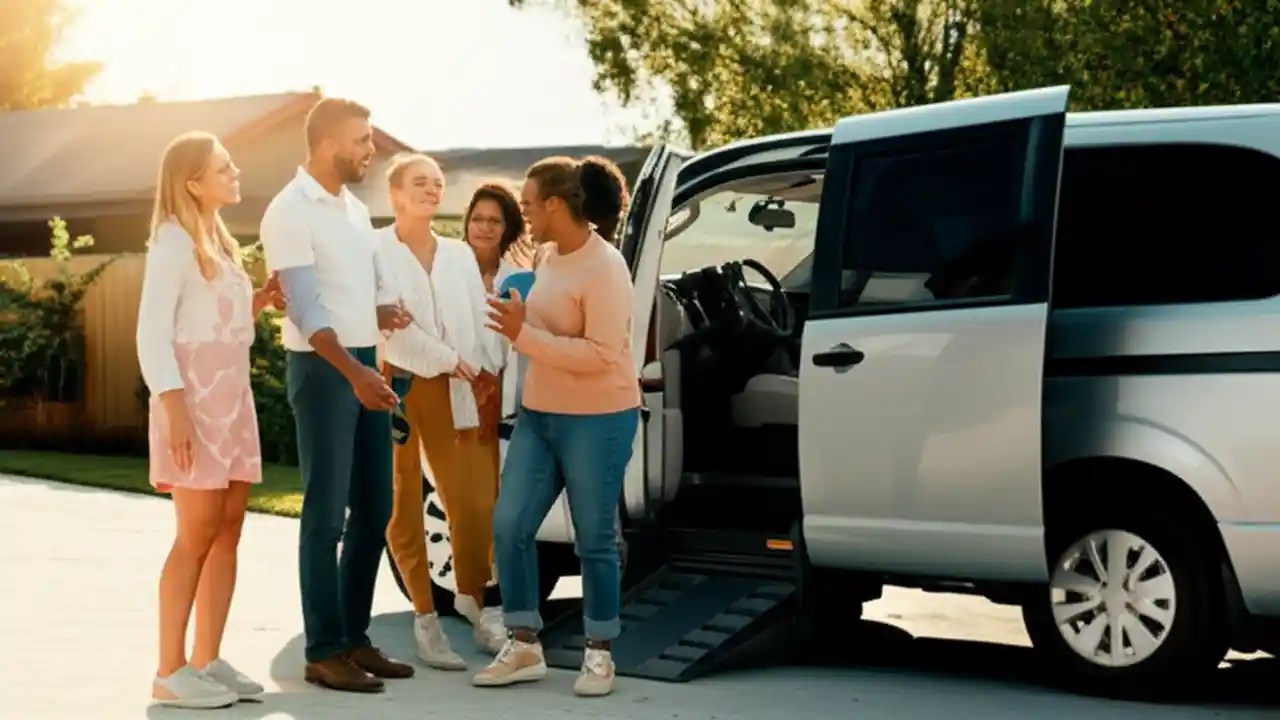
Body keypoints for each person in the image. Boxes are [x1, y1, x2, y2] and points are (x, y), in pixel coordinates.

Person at [258, 97, 414, 694]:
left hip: (362, 363)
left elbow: (351, 291)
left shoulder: (351, 209)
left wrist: (381, 315)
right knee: (326, 516)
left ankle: (353, 637)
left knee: (375, 509)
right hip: (326, 373)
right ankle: (323, 650)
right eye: (361, 139)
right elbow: (304, 305)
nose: (370, 149)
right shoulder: (288, 211)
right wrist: (356, 371)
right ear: (326, 143)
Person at [474, 155, 636, 697]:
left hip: (599, 419)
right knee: (510, 524)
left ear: (555, 204)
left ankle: (599, 653)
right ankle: (523, 644)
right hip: (540, 416)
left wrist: (523, 334)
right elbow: (543, 327)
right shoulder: (546, 255)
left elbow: (602, 353)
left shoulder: (606, 267)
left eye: (527, 203)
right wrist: (517, 314)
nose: (523, 213)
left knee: (594, 539)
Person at [137, 130, 285, 708]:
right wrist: (173, 408)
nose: (235, 173)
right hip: (192, 402)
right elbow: (152, 332)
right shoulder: (171, 243)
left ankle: (207, 659)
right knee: (194, 536)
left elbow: (215, 323)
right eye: (224, 168)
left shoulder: (218, 242)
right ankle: (169, 671)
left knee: (227, 532)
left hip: (232, 400)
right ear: (192, 183)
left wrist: (258, 302)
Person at [378, 154, 507, 665]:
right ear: (396, 194)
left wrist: (486, 370)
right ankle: (426, 619)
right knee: (404, 502)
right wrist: (453, 361)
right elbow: (392, 329)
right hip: (401, 385)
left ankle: (474, 599)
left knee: (475, 500)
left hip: (460, 386)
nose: (432, 190)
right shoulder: (377, 251)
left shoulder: (457, 255)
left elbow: (480, 320)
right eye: (420, 183)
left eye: (437, 183)